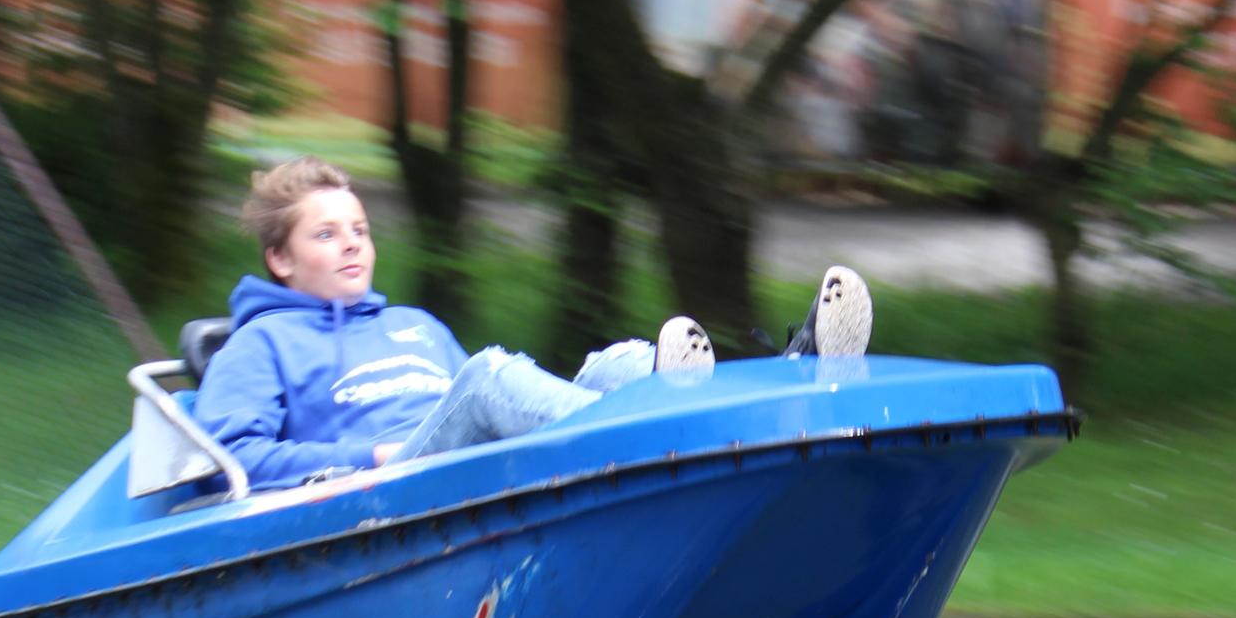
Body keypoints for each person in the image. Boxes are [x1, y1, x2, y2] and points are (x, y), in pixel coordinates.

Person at [194, 155, 872, 491]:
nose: (352, 245)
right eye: (326, 234)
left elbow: (481, 407)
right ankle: (677, 429)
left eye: (361, 230)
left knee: (617, 364)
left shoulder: (411, 323)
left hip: (465, 464)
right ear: (278, 257)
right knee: (489, 376)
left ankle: (781, 388)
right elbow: (236, 461)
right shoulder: (259, 342)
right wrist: (361, 458)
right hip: (385, 486)